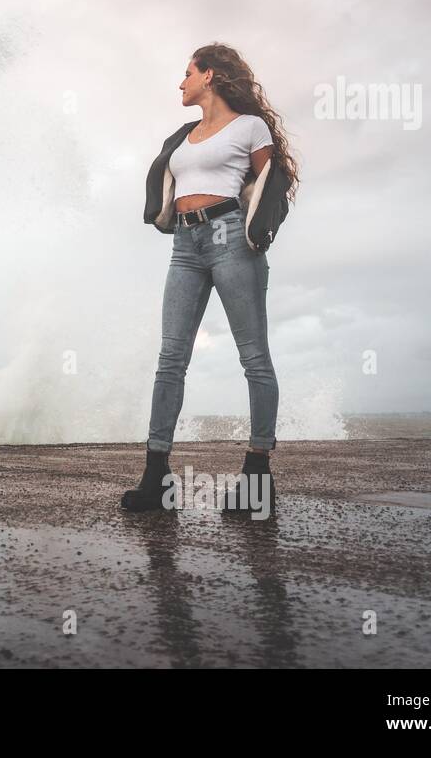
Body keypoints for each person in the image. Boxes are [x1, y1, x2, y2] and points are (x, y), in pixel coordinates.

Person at [122, 43, 300, 515]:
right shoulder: (185, 134)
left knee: (254, 358)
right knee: (170, 358)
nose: (181, 82)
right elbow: (167, 182)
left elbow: (273, 184)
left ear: (211, 75)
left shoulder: (249, 126)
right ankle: (156, 476)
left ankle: (257, 477)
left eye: (187, 73)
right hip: (185, 245)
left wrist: (257, 232)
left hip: (230, 240)